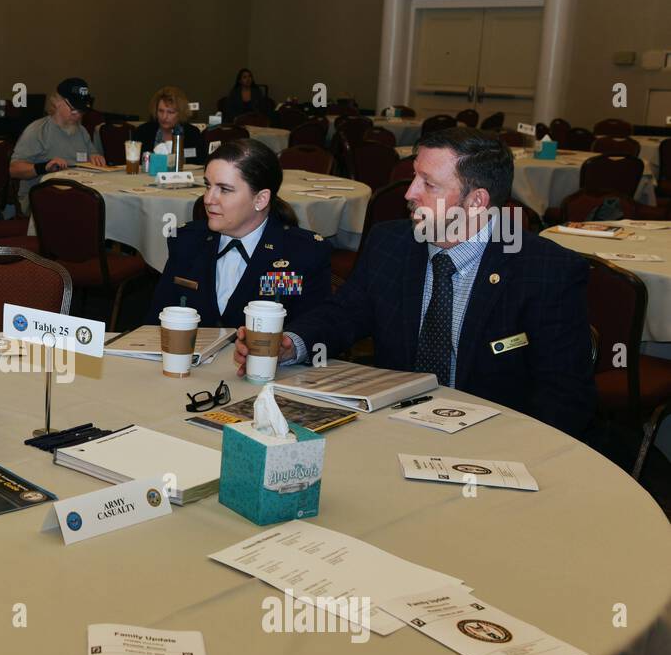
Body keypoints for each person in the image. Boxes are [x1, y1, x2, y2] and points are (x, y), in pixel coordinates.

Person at [233, 127, 596, 437]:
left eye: (429, 184)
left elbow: (563, 397)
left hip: (491, 439)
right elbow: (344, 313)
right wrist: (290, 343)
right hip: (395, 427)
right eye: (413, 178)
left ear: (476, 203)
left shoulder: (544, 270)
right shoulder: (391, 242)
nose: (409, 194)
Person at [147, 140, 329, 327]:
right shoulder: (187, 241)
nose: (208, 199)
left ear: (260, 199)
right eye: (208, 186)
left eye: (224, 190)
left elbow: (311, 332)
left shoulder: (302, 253)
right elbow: (156, 323)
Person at [9, 77, 106, 211]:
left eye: (82, 110)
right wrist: (44, 167)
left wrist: (95, 157)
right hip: (41, 201)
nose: (78, 114)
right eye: (74, 109)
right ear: (57, 102)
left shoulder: (81, 131)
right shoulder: (38, 131)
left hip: (75, 195)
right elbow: (14, 170)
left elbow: (91, 155)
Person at [132, 86, 204, 167]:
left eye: (170, 112)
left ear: (180, 113)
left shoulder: (192, 133)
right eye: (161, 111)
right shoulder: (143, 132)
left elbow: (199, 163)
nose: (164, 117)